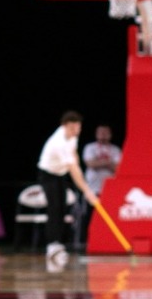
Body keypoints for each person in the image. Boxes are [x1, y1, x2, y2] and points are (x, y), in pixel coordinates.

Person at [36, 110, 98, 265]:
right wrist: (87, 192)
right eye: (72, 128)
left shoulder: (72, 136)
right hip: (47, 174)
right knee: (54, 208)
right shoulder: (59, 142)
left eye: (78, 128)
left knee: (62, 208)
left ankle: (57, 242)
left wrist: (78, 169)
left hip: (59, 174)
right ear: (64, 126)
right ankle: (52, 245)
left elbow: (74, 157)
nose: (75, 131)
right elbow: (73, 170)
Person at [82, 125, 123, 199]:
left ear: (110, 134)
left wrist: (98, 161)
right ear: (96, 134)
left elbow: (118, 168)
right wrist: (109, 162)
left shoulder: (115, 150)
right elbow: (91, 164)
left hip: (110, 189)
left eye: (105, 132)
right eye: (101, 132)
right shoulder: (90, 147)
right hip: (93, 188)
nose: (103, 134)